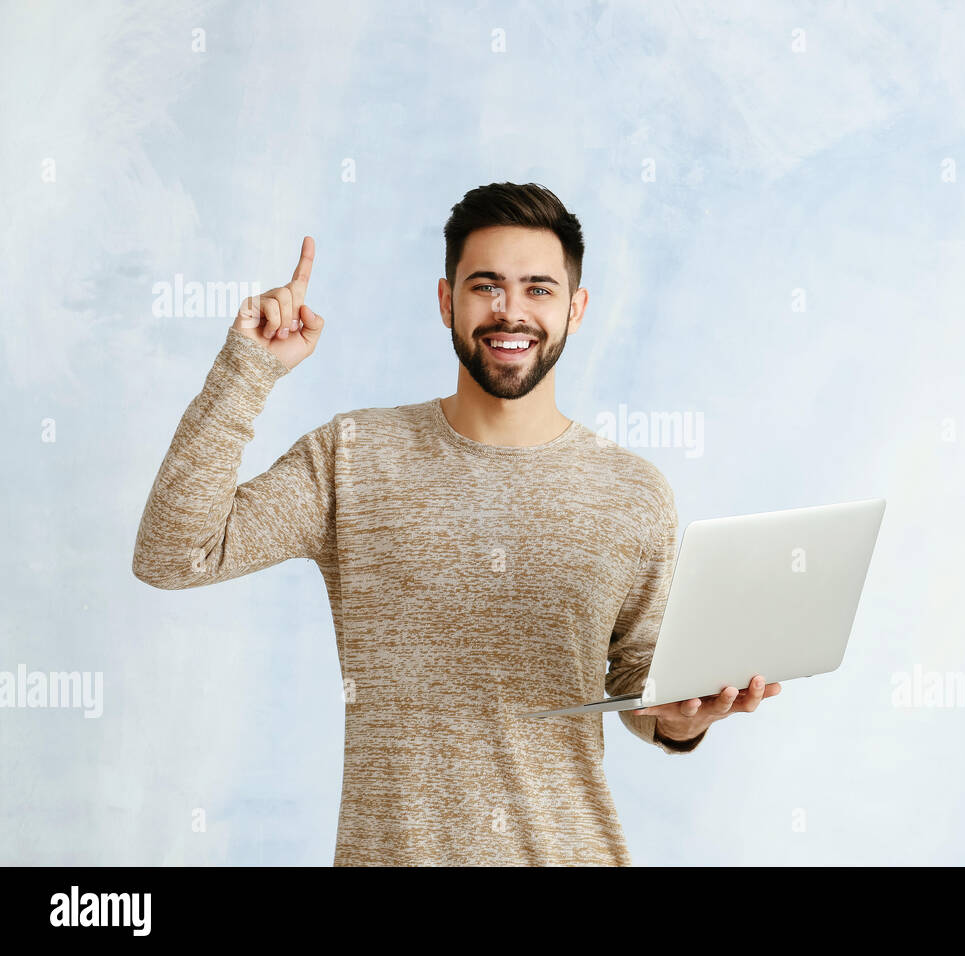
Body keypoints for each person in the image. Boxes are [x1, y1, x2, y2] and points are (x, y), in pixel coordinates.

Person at [132, 182, 780, 866]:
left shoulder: (633, 492)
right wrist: (249, 369)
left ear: (575, 309)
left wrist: (679, 720)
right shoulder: (353, 456)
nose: (510, 311)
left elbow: (640, 683)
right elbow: (175, 553)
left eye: (538, 289)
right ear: (446, 301)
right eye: (486, 286)